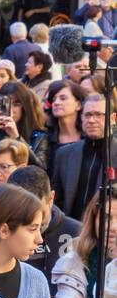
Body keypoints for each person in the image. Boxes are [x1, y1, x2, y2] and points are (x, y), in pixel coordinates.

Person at [53, 91, 113, 221]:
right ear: (81, 117)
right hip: (70, 232)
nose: (92, 120)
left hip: (108, 231)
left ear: (113, 119)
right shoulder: (64, 154)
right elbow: (56, 199)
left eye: (99, 115)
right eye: (88, 115)